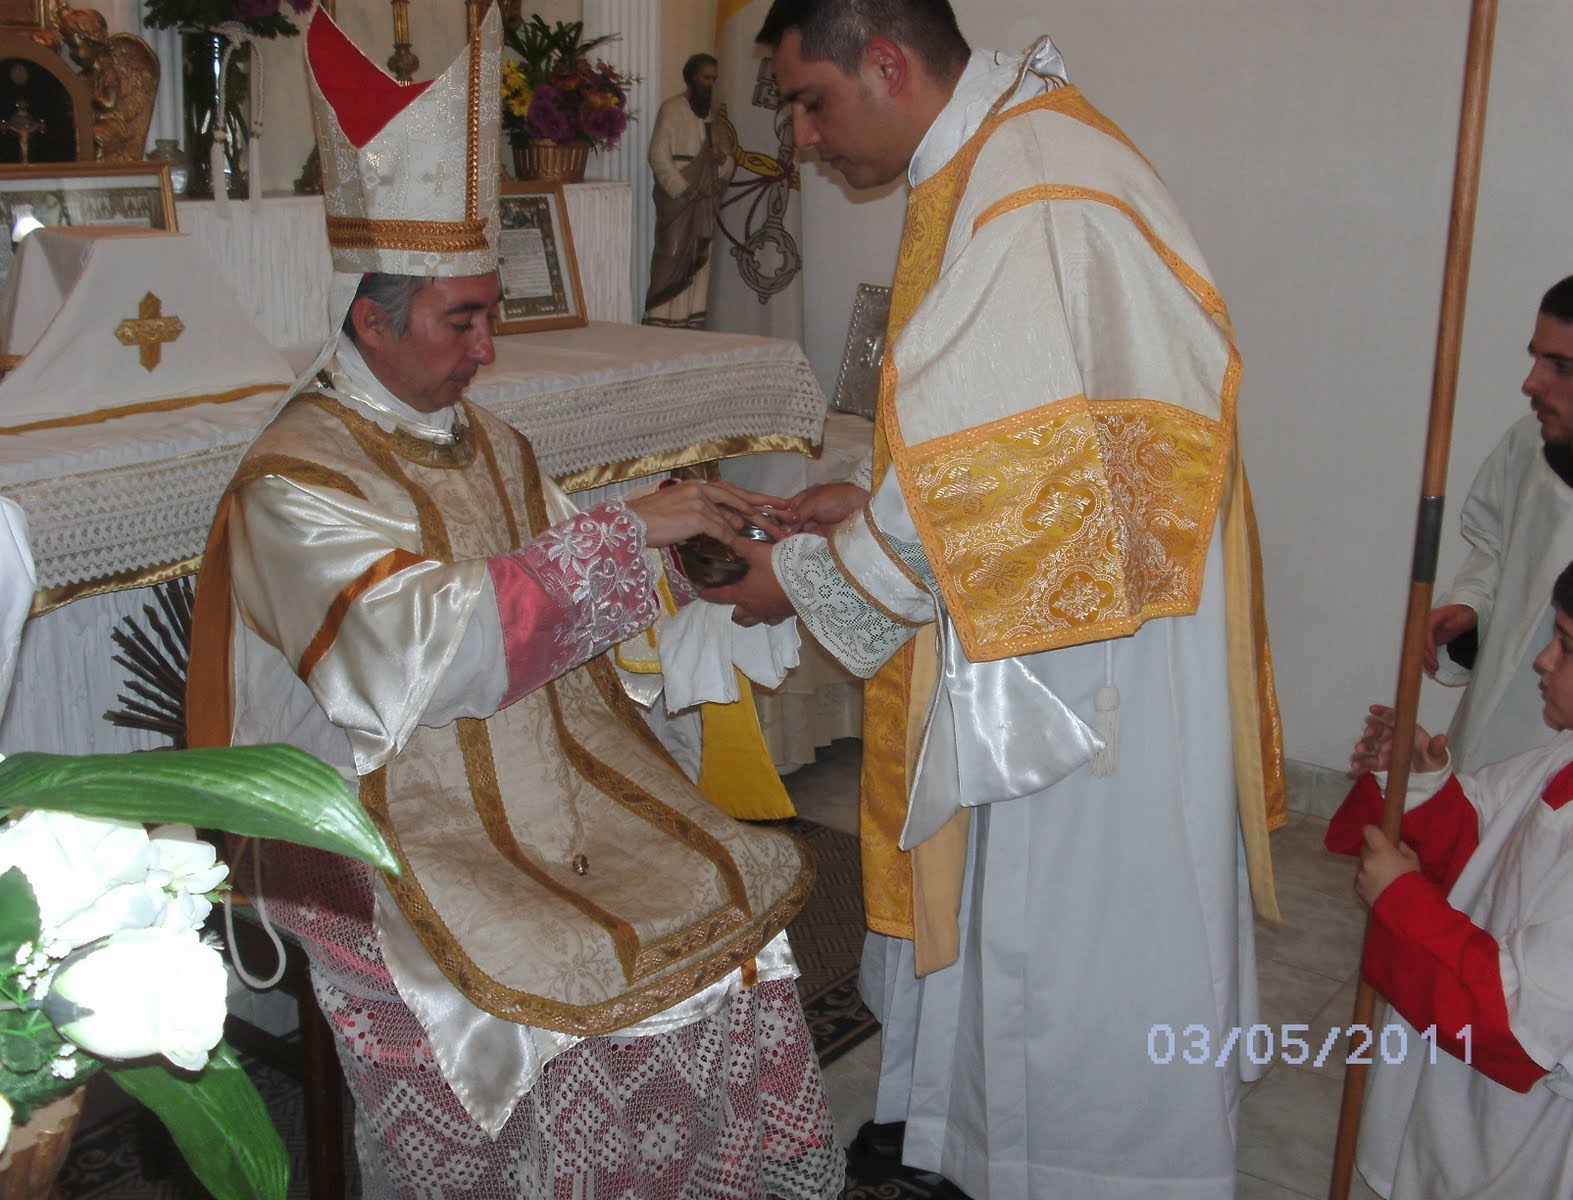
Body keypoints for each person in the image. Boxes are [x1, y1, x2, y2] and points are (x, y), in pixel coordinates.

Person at [185, 9, 843, 1198]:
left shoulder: (484, 442)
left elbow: (579, 607)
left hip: (538, 771)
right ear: (371, 315)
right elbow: (407, 661)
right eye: (464, 319)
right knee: (553, 981)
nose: (489, 347)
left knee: (720, 899)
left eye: (490, 310)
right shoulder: (296, 480)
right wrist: (627, 528)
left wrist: (705, 579)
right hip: (359, 805)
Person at [706, 2, 1287, 1197]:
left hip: (1081, 653)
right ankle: (947, 1124)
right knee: (984, 894)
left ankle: (1074, 1164)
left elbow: (1004, 465)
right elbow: (981, 422)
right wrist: (860, 500)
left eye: (810, 99)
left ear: (886, 60)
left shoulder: (1029, 185)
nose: (803, 139)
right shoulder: (998, 152)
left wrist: (807, 584)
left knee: (1061, 924)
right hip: (1050, 601)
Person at [1328, 544, 1573, 1199]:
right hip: (1474, 1082)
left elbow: (1518, 1019)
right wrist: (1416, 779)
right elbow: (1484, 846)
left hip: (1540, 1116)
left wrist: (1402, 897)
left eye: (1566, 646)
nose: (1542, 659)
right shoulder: (1569, 761)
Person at [1424, 267, 1573, 773]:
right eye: (1537, 358)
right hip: (1489, 736)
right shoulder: (1531, 447)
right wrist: (1469, 607)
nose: (1532, 383)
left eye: (1562, 367)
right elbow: (1495, 546)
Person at [642, 54, 734, 329]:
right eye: (706, 77)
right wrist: (683, 188)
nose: (710, 84)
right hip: (680, 198)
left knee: (699, 254)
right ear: (692, 77)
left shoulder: (713, 116)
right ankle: (662, 315)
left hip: (704, 196)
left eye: (714, 79)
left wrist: (720, 161)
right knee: (671, 252)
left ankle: (692, 314)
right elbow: (658, 155)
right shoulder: (672, 108)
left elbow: (728, 159)